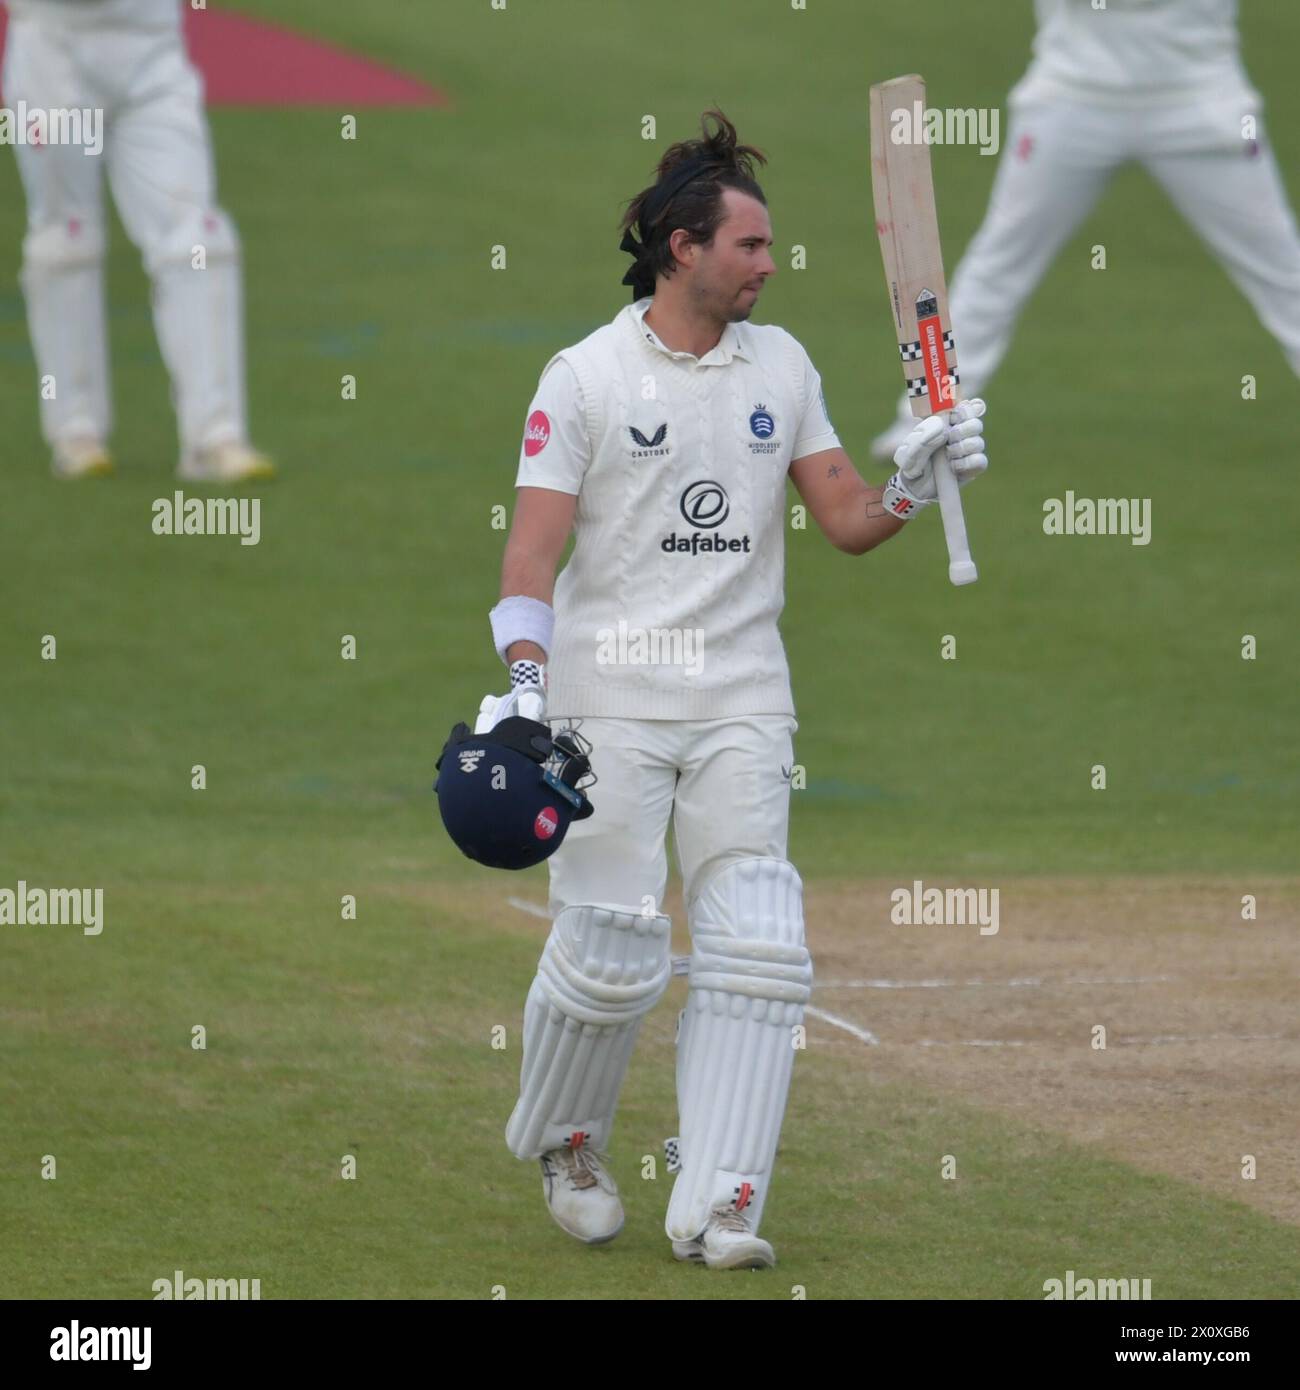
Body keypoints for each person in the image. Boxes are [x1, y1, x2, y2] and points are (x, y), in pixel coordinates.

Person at [481, 108, 988, 1270]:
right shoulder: (587, 376)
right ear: (681, 249)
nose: (769, 266)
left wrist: (915, 476)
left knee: (759, 946)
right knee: (611, 949)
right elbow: (529, 555)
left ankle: (718, 1204)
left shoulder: (786, 365)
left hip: (744, 699)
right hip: (605, 701)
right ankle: (570, 1143)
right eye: (749, 247)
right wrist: (523, 683)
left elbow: (849, 522)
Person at [871, 0, 1300, 458]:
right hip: (1071, 98)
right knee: (1002, 259)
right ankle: (926, 421)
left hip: (1202, 102)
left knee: (1283, 271)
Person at [3, 0, 272, 481]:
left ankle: (215, 435)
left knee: (198, 238)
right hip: (53, 47)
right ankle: (75, 431)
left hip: (151, 43)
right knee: (67, 239)